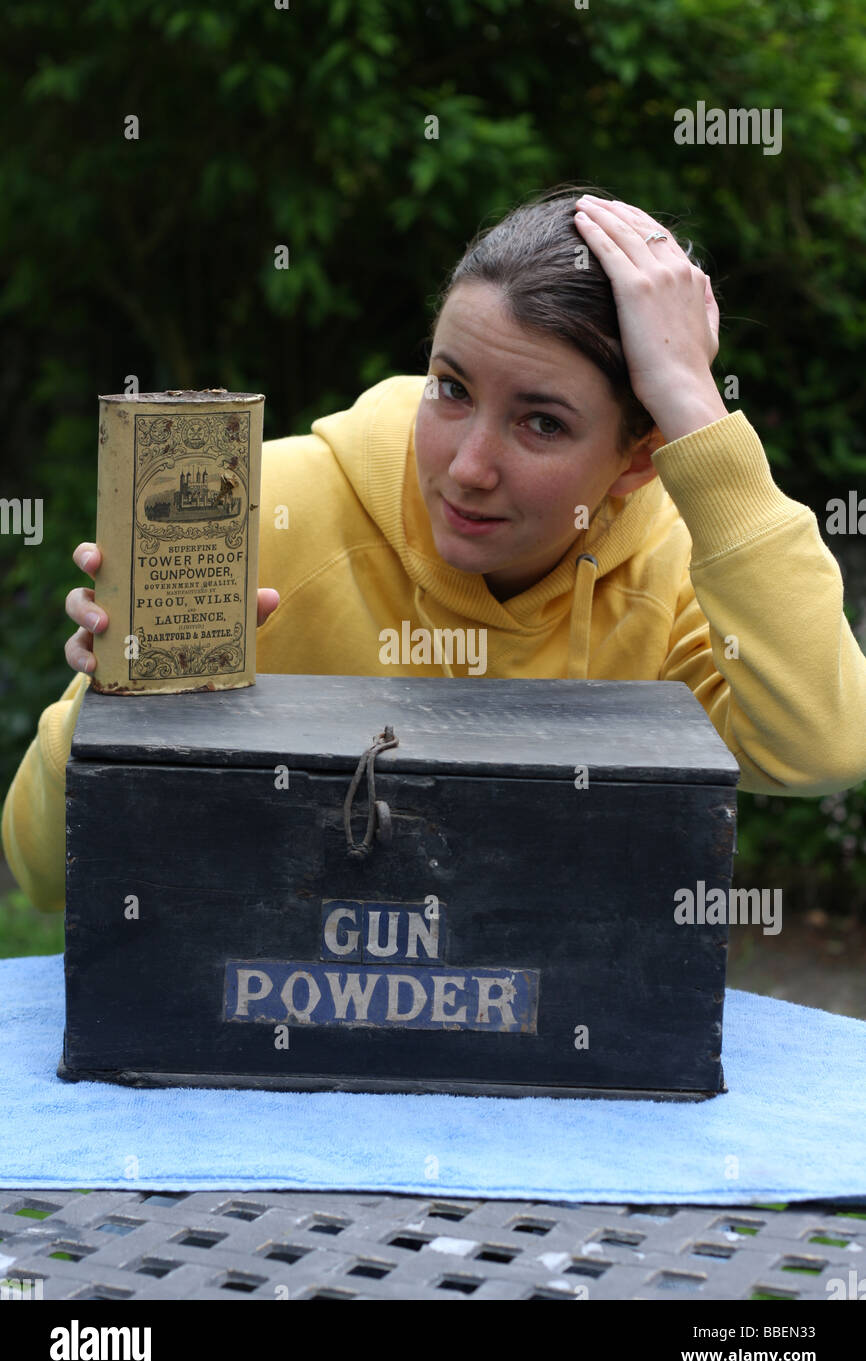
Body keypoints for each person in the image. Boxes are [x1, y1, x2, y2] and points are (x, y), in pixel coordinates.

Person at [4, 183, 866, 912]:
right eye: (450, 388)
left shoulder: (683, 574)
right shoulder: (262, 515)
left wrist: (692, 403)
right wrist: (113, 696)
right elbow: (44, 872)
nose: (468, 467)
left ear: (639, 458)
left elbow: (823, 746)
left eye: (541, 421)